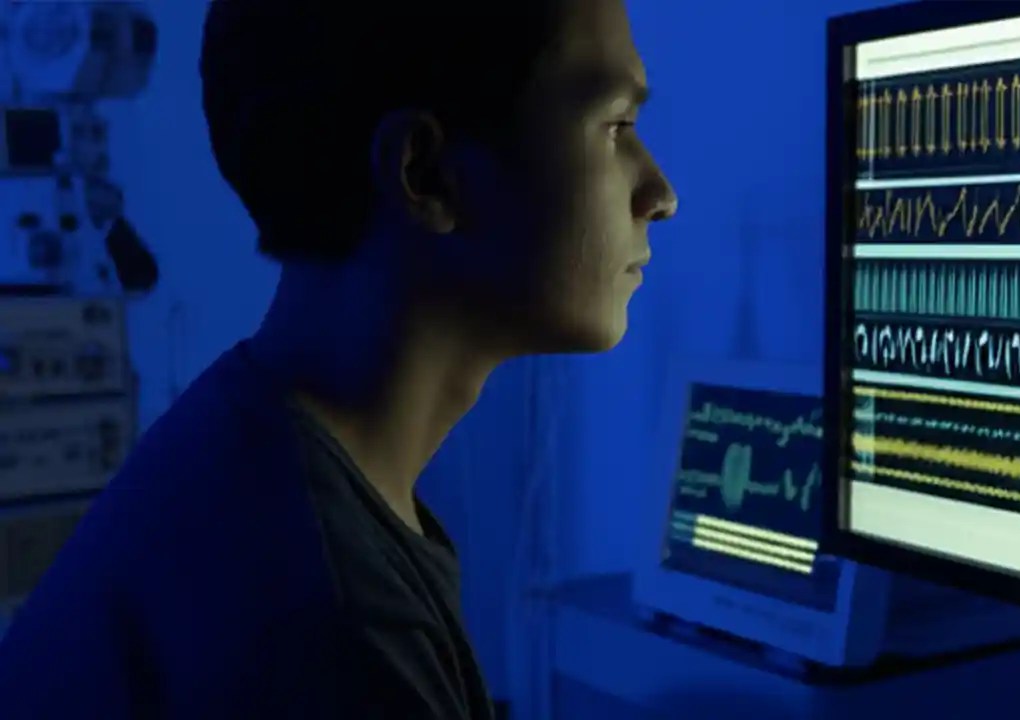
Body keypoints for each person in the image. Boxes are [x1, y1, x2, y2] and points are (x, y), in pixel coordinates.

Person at [0, 0, 676, 716]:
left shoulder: (254, 449)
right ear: (426, 174)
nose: (659, 194)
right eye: (617, 127)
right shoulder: (329, 626)